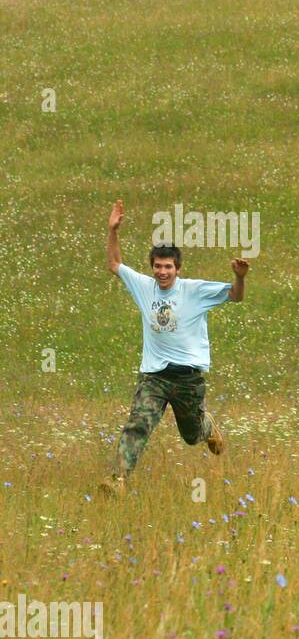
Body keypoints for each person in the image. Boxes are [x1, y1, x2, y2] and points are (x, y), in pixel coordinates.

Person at [99, 199, 248, 496]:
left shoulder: (195, 290)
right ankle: (118, 480)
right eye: (157, 266)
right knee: (138, 424)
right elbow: (114, 264)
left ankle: (207, 426)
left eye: (168, 267)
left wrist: (239, 277)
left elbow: (236, 296)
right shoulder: (143, 286)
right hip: (154, 376)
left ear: (178, 269)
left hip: (188, 377)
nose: (162, 272)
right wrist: (113, 230)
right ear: (152, 267)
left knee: (191, 435)